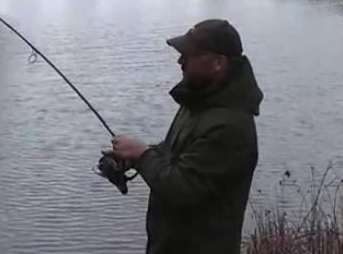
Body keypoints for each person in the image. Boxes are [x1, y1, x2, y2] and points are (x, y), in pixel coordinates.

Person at [107, 19, 263, 254]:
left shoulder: (230, 127)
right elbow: (177, 156)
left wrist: (143, 155)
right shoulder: (198, 103)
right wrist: (133, 156)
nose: (180, 61)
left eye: (188, 55)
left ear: (218, 63)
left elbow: (181, 188)